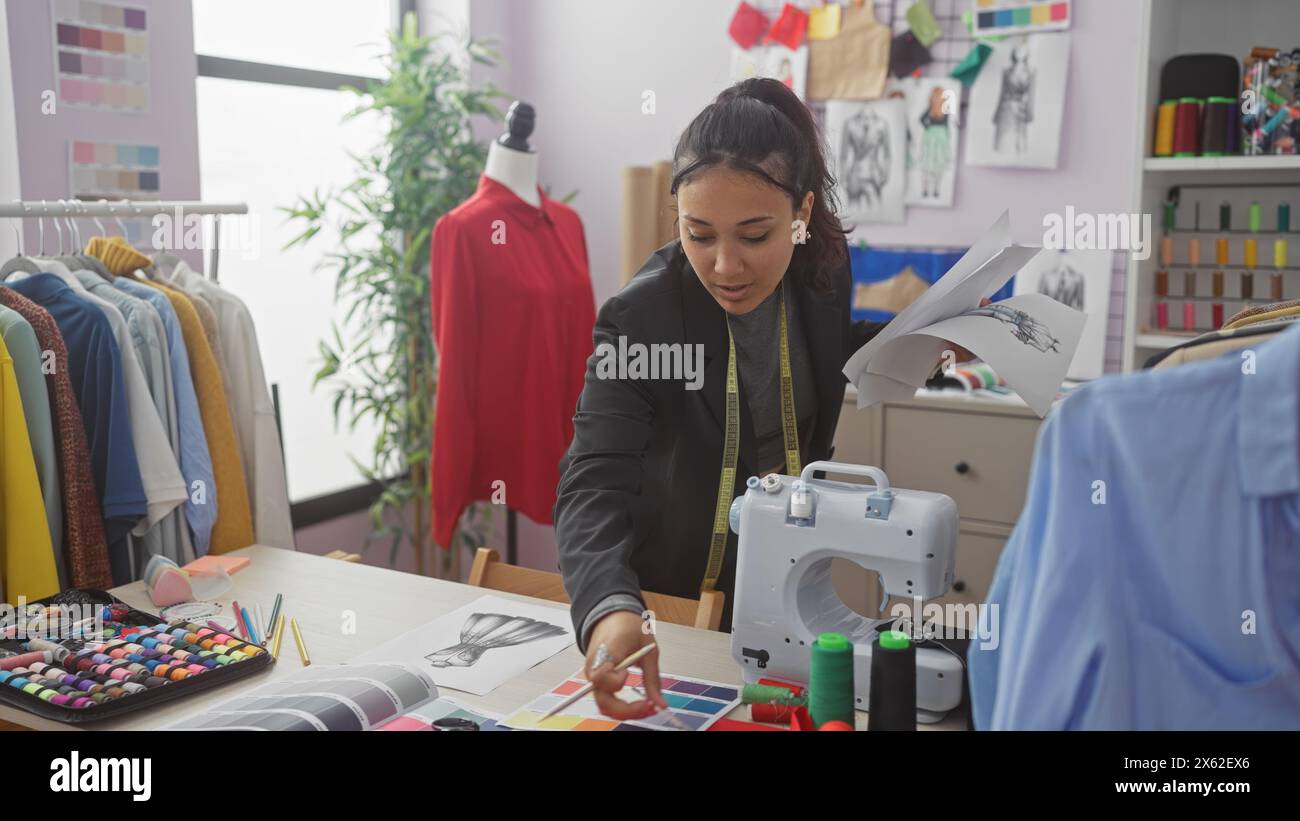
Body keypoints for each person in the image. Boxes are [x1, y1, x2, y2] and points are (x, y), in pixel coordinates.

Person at [556, 77, 970, 721]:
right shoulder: (641, 319)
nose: (725, 266)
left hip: (781, 572)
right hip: (674, 602)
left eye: (754, 236)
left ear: (802, 215)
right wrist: (611, 612)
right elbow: (591, 482)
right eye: (699, 234)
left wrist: (932, 335)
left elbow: (826, 351)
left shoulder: (822, 274)